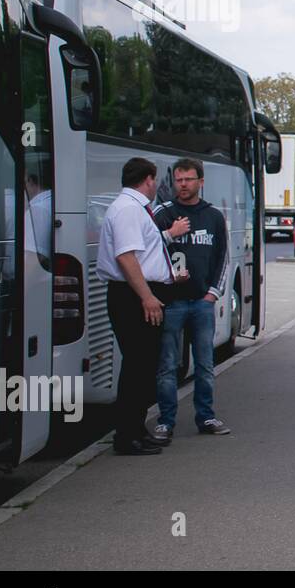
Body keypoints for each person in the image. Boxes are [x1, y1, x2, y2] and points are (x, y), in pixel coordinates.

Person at [96, 157, 185, 455]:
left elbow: (143, 254)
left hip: (136, 292)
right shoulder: (129, 210)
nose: (155, 185)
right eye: (154, 180)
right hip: (133, 296)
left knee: (144, 366)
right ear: (147, 179)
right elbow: (126, 257)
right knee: (137, 366)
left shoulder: (133, 208)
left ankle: (136, 429)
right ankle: (126, 436)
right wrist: (147, 296)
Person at [151, 158, 232, 442]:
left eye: (188, 179)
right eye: (179, 180)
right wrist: (169, 235)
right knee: (167, 365)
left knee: (205, 364)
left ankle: (206, 416)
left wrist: (212, 294)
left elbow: (223, 257)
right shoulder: (163, 213)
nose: (183, 185)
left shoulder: (213, 216)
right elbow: (146, 249)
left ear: (201, 181)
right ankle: (165, 421)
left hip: (201, 302)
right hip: (171, 302)